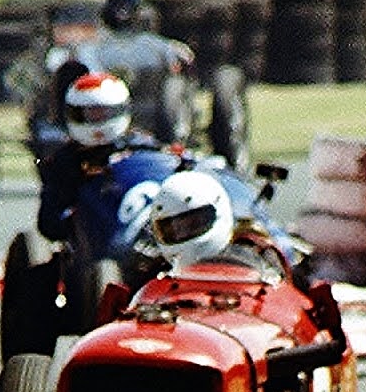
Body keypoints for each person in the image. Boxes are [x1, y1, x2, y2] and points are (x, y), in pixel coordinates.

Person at [35, 71, 164, 241]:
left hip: (146, 225)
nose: (97, 119)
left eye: (103, 113)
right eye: (89, 114)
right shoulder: (64, 160)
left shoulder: (143, 145)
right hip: (94, 241)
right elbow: (49, 223)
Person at [148, 169, 287, 283]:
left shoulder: (263, 258)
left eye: (193, 224)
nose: (181, 233)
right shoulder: (155, 272)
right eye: (171, 230)